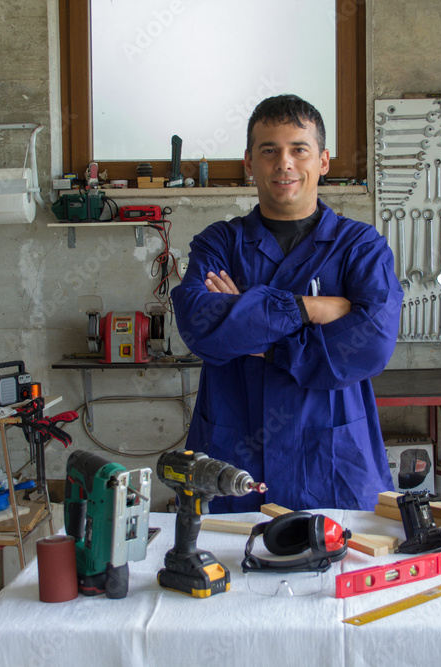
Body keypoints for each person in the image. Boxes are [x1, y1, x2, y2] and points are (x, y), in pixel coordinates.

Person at [170, 94, 403, 512]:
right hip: (234, 454)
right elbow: (199, 326)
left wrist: (262, 337)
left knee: (340, 566)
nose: (285, 163)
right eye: (269, 151)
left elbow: (372, 342)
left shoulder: (360, 246)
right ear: (249, 163)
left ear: (323, 160)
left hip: (332, 461)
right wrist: (309, 309)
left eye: (299, 149)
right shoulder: (219, 243)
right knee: (227, 566)